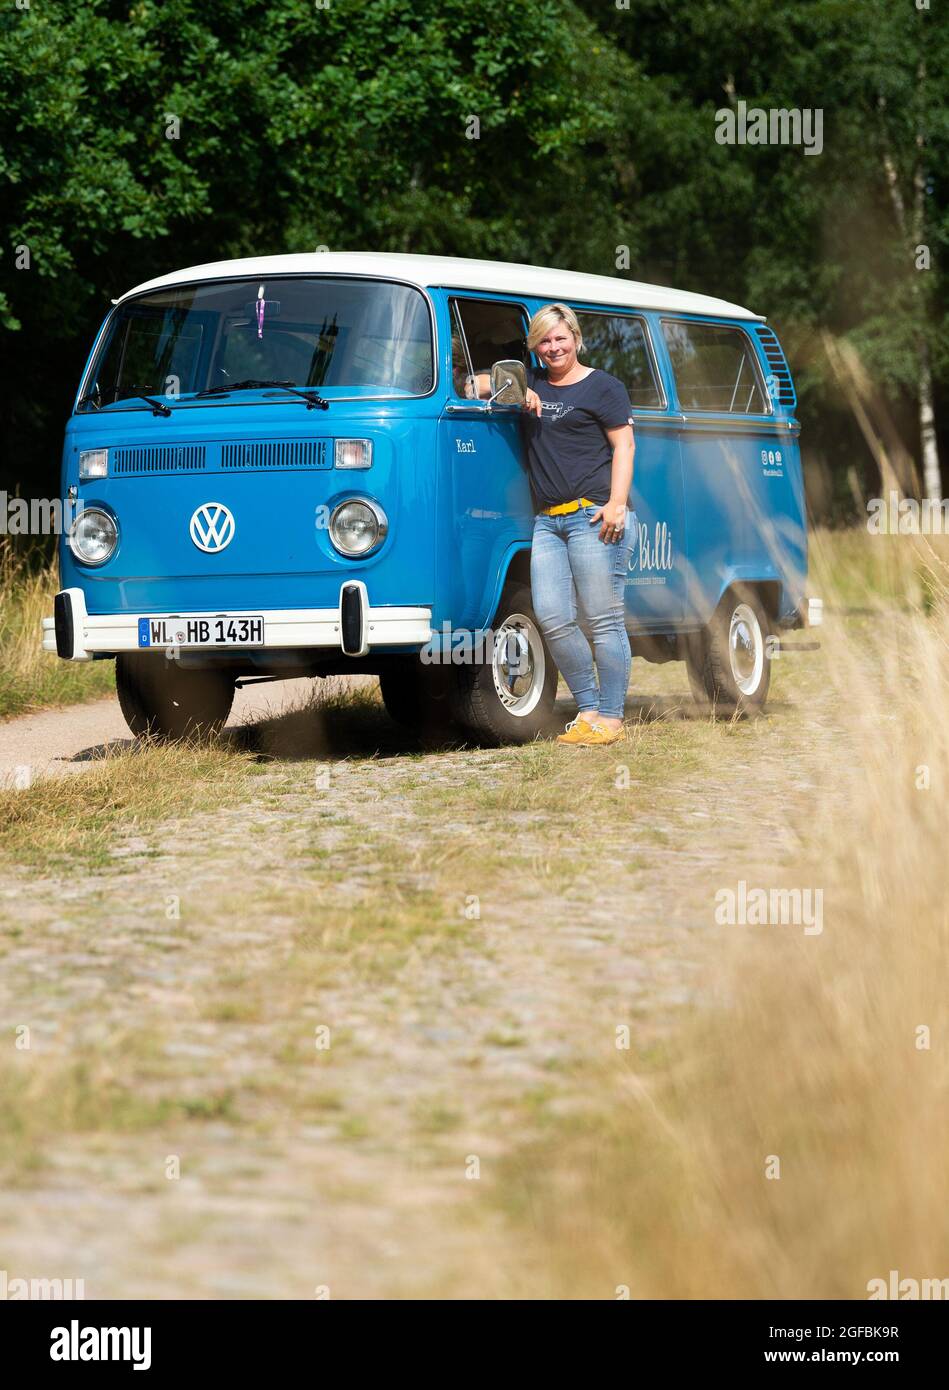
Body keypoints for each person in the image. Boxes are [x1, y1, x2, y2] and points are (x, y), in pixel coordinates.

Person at [520, 303, 636, 746]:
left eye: (560, 338)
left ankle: (611, 718)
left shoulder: (603, 387)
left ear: (576, 338)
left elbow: (624, 447)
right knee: (552, 618)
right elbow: (476, 383)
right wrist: (513, 388)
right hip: (548, 522)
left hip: (594, 515)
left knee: (602, 621)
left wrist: (617, 504)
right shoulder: (530, 381)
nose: (553, 348)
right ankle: (587, 710)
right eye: (544, 341)